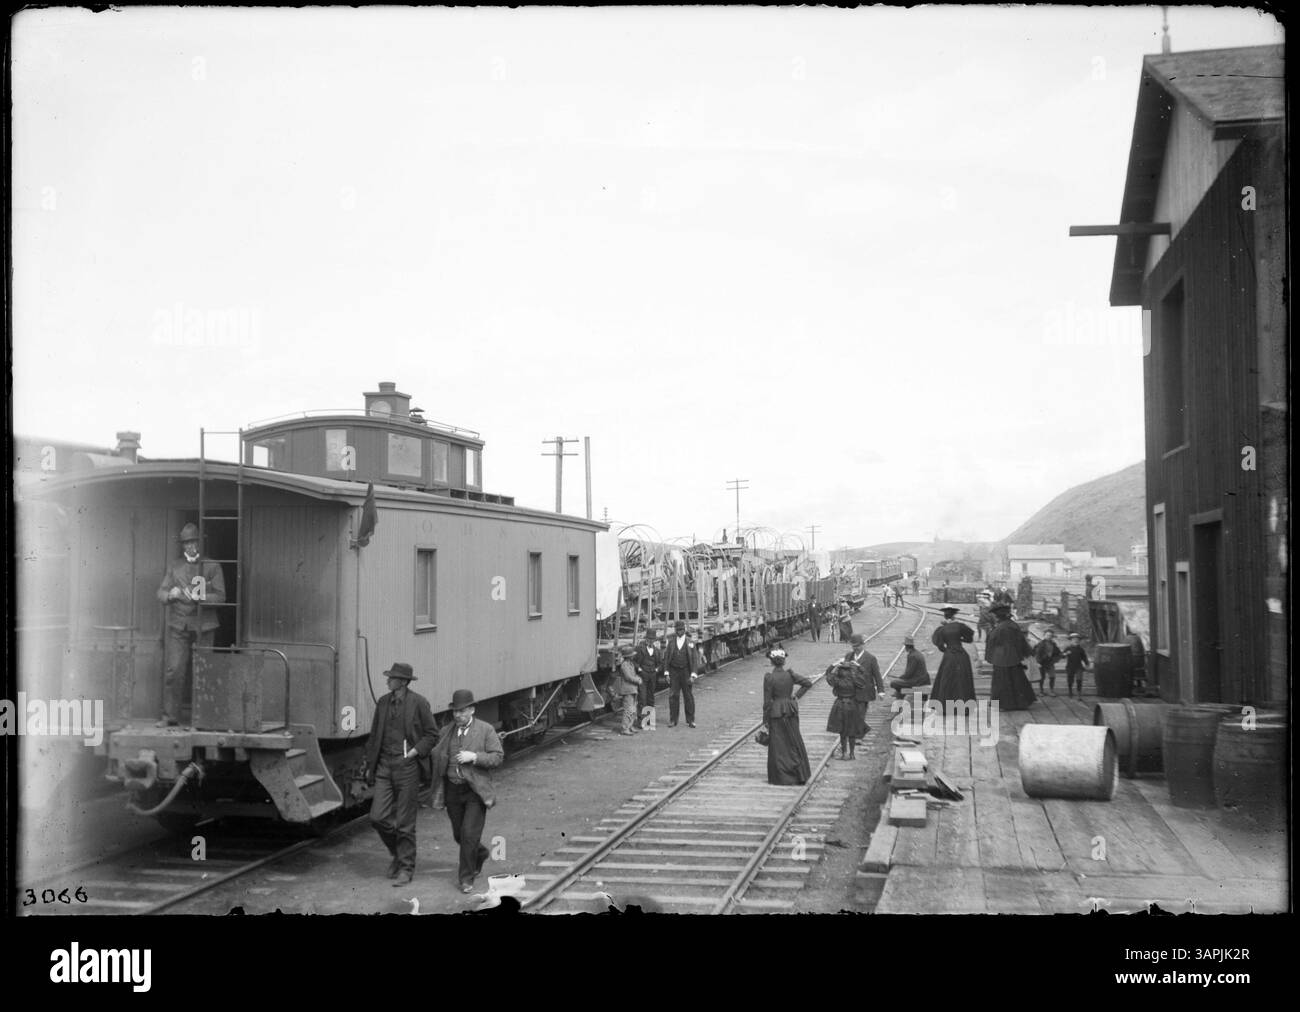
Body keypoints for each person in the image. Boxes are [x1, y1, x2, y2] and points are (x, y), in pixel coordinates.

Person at [363, 662, 440, 887]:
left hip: (407, 768)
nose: (388, 681)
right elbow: (375, 734)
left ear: (403, 682)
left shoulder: (418, 703)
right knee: (377, 817)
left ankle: (406, 868)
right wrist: (369, 762)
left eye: (392, 678)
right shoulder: (383, 702)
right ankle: (398, 852)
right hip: (385, 767)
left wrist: (415, 752)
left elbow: (431, 734)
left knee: (406, 822)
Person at [431, 689, 505, 893]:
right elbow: (437, 753)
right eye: (455, 711)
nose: (458, 715)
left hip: (475, 791)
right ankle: (479, 855)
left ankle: (466, 878)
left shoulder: (485, 730)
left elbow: (498, 757)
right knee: (459, 835)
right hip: (452, 790)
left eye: (462, 711)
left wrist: (475, 757)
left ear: (472, 710)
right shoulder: (446, 731)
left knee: (468, 834)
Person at [155, 522, 227, 727]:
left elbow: (221, 597)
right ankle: (171, 717)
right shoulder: (174, 566)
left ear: (200, 543)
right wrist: (170, 594)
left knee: (204, 670)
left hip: (204, 626)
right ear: (182, 545)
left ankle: (203, 718)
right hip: (179, 626)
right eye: (186, 543)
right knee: (174, 670)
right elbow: (160, 592)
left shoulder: (213, 566)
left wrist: (201, 596)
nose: (190, 546)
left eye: (193, 542)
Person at [762, 647, 813, 785]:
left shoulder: (769, 678)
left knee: (778, 745)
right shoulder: (790, 675)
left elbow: (767, 702)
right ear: (783, 661)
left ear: (772, 662)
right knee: (794, 740)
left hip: (776, 712)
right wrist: (796, 696)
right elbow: (808, 683)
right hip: (790, 710)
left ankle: (781, 776)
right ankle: (798, 774)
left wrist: (765, 720)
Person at [986, 603, 1035, 710]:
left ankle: (1004, 704)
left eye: (995, 616)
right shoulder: (1012, 625)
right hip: (1013, 657)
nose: (994, 618)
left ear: (998, 616)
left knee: (1002, 681)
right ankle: (1021, 702)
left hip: (1001, 658)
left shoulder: (1001, 628)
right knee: (1016, 680)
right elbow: (1021, 641)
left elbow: (991, 641)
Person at [929, 605, 975, 704]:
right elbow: (969, 639)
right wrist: (960, 639)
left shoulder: (941, 629)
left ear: (945, 616)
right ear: (954, 616)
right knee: (963, 678)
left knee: (947, 678)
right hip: (962, 654)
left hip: (949, 655)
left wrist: (946, 650)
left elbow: (939, 644)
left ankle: (946, 706)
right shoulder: (960, 626)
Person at [825, 660, 867, 759]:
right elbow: (864, 675)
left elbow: (827, 674)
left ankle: (844, 753)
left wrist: (834, 664)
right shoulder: (855, 680)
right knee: (852, 730)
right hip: (853, 705)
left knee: (842, 731)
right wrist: (858, 665)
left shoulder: (837, 680)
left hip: (840, 705)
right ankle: (852, 754)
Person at [663, 620, 701, 728]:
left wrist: (693, 675)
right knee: (673, 696)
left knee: (688, 696)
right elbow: (666, 659)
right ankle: (673, 720)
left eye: (681, 629)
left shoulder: (690, 643)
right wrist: (666, 673)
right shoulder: (671, 642)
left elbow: (694, 660)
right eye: (678, 630)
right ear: (675, 630)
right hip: (674, 672)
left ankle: (690, 720)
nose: (679, 631)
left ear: (684, 630)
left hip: (686, 672)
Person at [610, 646, 642, 735]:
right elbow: (628, 677)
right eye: (632, 655)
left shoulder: (630, 663)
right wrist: (638, 680)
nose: (633, 656)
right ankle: (625, 728)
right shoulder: (625, 665)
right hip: (628, 690)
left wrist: (637, 678)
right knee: (628, 710)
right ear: (629, 656)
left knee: (633, 709)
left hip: (632, 689)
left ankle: (630, 726)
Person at [633, 627, 662, 724]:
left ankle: (650, 721)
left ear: (654, 640)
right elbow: (634, 661)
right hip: (642, 676)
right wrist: (639, 668)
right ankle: (641, 721)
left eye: (652, 639)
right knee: (642, 698)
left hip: (652, 676)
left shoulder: (657, 651)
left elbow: (660, 663)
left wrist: (657, 669)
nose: (650, 641)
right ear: (646, 639)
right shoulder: (639, 649)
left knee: (651, 698)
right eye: (649, 639)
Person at [1033, 629, 1064, 696]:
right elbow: (1037, 654)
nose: (1049, 636)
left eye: (1050, 635)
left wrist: (1057, 658)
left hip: (1050, 663)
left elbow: (1058, 653)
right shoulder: (1041, 644)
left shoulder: (1053, 644)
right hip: (1042, 663)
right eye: (1047, 635)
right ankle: (1041, 691)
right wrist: (1038, 662)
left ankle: (1051, 691)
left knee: (1052, 676)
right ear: (1044, 635)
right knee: (1042, 677)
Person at [1062, 633, 1091, 697]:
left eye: (1077, 639)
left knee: (1079, 679)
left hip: (1079, 667)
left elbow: (1084, 657)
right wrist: (1065, 654)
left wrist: (1087, 663)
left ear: (1079, 641)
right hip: (1070, 667)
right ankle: (1070, 691)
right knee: (1070, 679)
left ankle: (1079, 692)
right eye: (1074, 639)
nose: (1076, 641)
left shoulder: (1081, 649)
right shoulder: (1068, 648)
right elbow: (1062, 656)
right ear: (1071, 640)